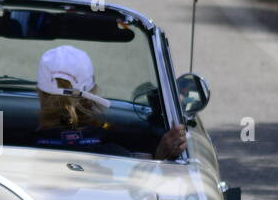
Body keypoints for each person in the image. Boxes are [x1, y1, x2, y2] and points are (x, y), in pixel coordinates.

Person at [31, 45, 186, 160]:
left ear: (41, 95)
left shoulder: (20, 150)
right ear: (92, 94)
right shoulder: (116, 155)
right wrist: (159, 155)